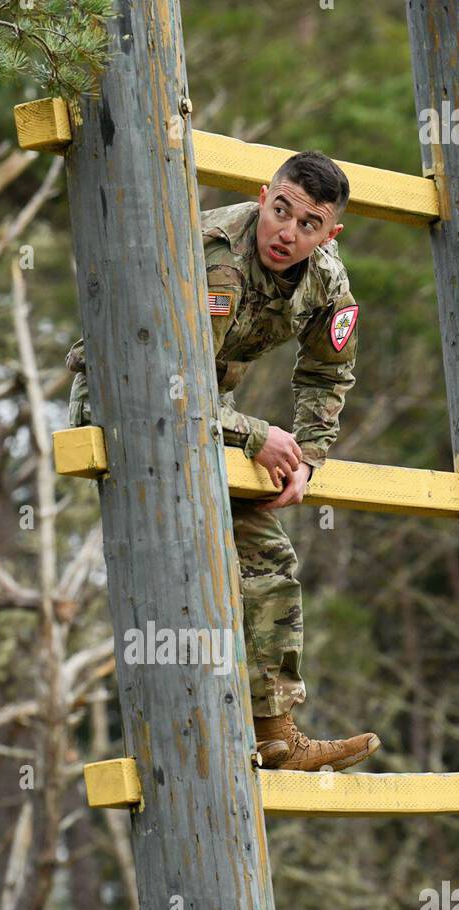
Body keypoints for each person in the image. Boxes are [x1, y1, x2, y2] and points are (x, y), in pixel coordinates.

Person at [64, 150, 381, 772]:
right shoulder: (217, 258)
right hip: (125, 392)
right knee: (189, 564)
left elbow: (327, 369)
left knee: (268, 557)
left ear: (330, 234)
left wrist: (308, 457)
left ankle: (276, 737)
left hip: (200, 410)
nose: (287, 233)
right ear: (264, 197)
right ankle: (189, 754)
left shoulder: (325, 279)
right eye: (280, 211)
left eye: (308, 225)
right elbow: (164, 378)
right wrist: (254, 434)